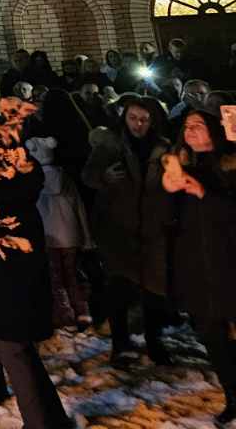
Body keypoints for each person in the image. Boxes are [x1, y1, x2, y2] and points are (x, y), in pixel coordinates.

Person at [0, 161, 73, 428]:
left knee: (14, 351)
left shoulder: (14, 174)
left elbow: (26, 186)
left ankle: (38, 423)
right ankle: (54, 419)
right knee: (21, 352)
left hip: (12, 272)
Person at [160, 109, 236, 423]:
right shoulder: (177, 164)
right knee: (212, 336)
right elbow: (165, 220)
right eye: (187, 125)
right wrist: (167, 191)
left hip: (230, 263)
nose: (191, 129)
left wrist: (206, 194)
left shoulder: (231, 164)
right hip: (197, 268)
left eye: (199, 124)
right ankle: (234, 396)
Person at [82, 95, 171, 365]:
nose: (138, 124)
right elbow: (88, 175)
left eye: (144, 119)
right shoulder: (110, 144)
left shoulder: (163, 147)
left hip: (153, 229)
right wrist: (104, 178)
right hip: (117, 229)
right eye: (133, 118)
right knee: (118, 288)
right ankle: (120, 342)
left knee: (153, 290)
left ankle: (154, 340)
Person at [27, 136, 90, 327]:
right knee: (72, 275)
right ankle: (83, 313)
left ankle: (64, 315)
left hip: (48, 237)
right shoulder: (66, 177)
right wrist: (85, 236)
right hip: (70, 236)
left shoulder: (34, 181)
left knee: (55, 278)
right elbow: (79, 207)